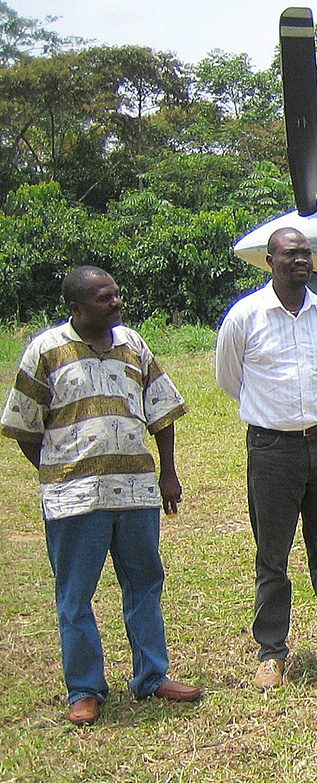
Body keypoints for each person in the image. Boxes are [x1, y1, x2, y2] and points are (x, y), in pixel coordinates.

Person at [1, 266, 203, 726]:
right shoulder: (46, 351)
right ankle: (85, 689)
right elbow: (24, 426)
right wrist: (61, 470)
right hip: (75, 500)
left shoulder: (133, 344)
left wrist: (168, 473)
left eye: (116, 295)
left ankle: (152, 676)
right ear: (75, 307)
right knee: (76, 596)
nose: (115, 303)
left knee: (145, 585)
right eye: (103, 298)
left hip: (135, 493)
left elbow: (161, 410)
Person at [216, 227, 317, 690]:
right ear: (270, 260)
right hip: (272, 450)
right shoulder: (245, 317)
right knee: (273, 554)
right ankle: (272, 651)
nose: (300, 261)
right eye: (290, 254)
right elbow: (231, 379)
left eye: (306, 253)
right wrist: (276, 418)